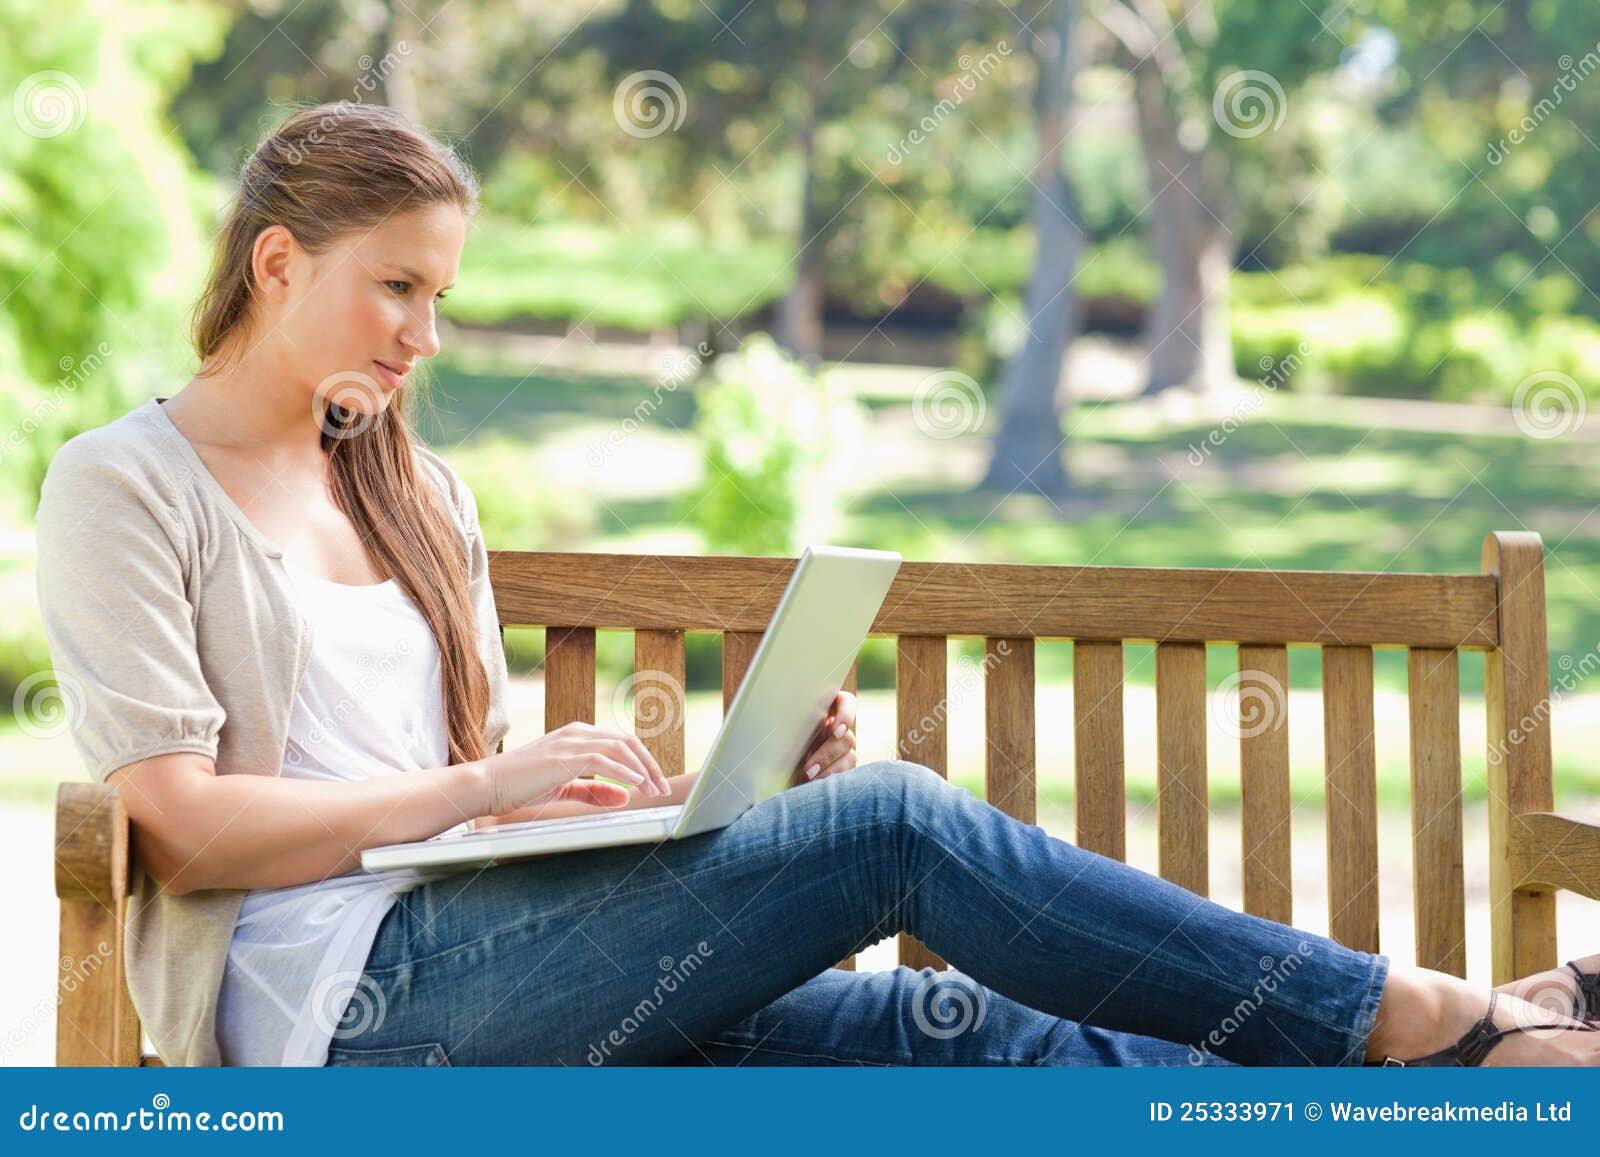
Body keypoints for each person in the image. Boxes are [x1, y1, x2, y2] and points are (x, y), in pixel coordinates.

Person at [33, 101, 1600, 1068]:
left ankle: (1441, 1079)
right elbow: (181, 817)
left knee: (958, 1035)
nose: (424, 335)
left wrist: (719, 799)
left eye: (441, 295)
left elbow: (448, 811)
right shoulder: (126, 484)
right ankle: (1434, 1015)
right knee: (900, 821)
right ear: (278, 262)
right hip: (345, 1024)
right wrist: (482, 786)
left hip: (510, 972)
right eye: (399, 287)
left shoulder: (417, 491)